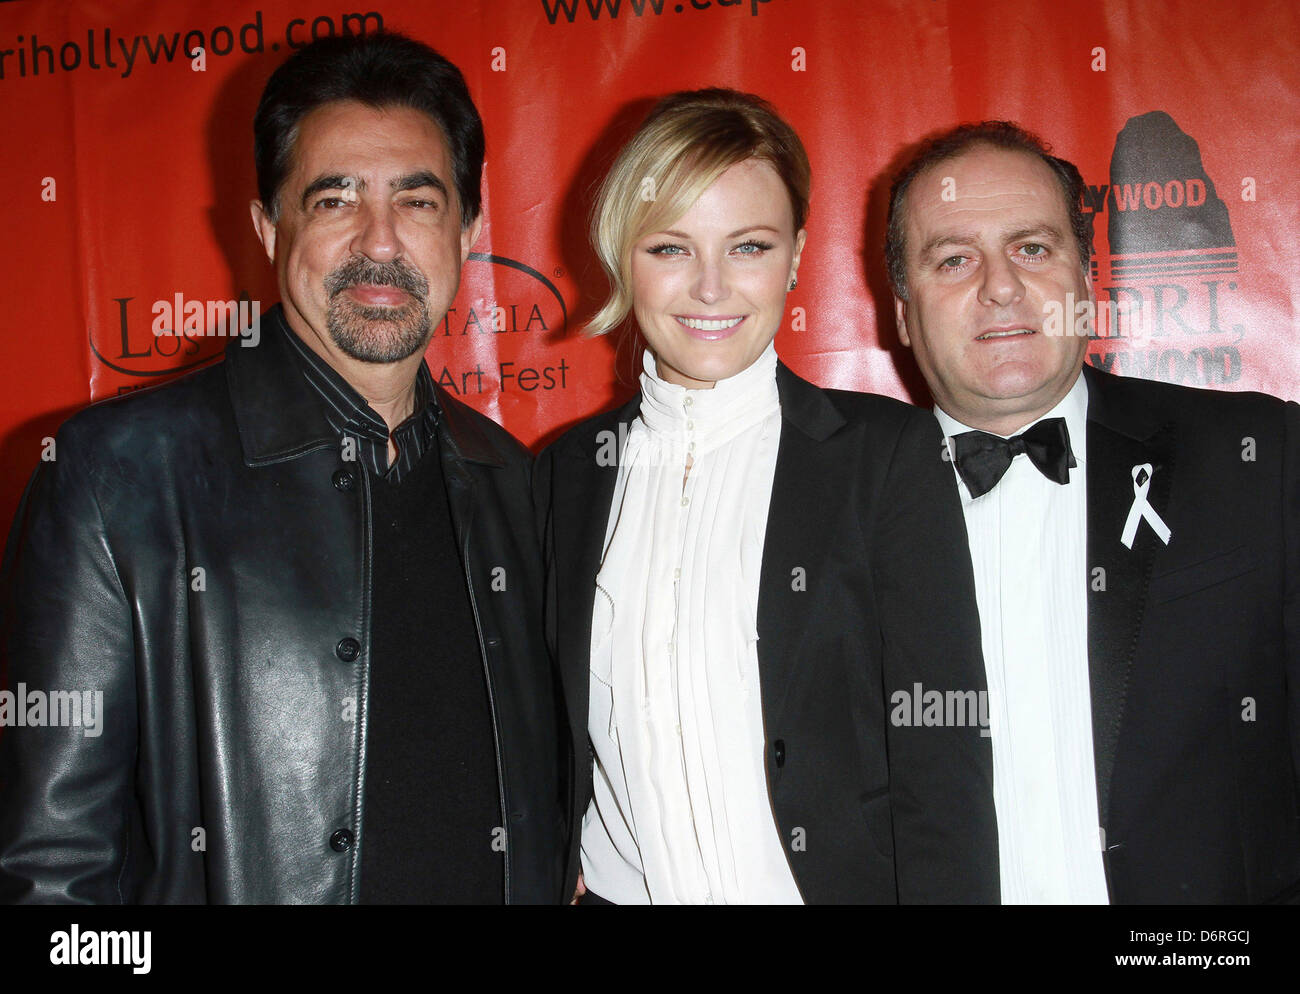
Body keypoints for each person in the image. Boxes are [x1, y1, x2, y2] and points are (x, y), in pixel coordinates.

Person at [0, 32, 566, 904]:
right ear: (268, 225)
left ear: (469, 228)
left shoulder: (521, 490)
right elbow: (51, 877)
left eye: (417, 203)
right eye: (334, 200)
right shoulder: (118, 476)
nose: (380, 243)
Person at [534, 89, 999, 905]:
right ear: (621, 254)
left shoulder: (884, 458)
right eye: (671, 248)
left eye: (747, 246)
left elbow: (945, 766)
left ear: (794, 256)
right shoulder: (565, 475)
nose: (710, 288)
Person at [887, 120, 1300, 903]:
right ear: (902, 314)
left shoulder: (1257, 457)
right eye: (953, 259)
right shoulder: (834, 507)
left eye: (1033, 249)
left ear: (1087, 279)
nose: (1000, 286)